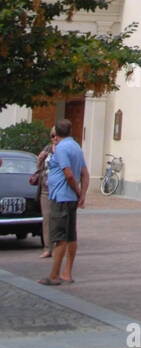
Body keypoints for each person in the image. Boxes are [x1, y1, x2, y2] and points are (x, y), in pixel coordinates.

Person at [39, 118, 88, 286]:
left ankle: (54, 275)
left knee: (59, 237)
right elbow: (85, 173)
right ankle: (67, 273)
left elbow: (68, 174)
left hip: (61, 197)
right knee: (71, 235)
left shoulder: (61, 148)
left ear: (56, 133)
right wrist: (82, 194)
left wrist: (78, 192)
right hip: (70, 198)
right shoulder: (76, 146)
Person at [35, 127, 58, 259]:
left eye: (56, 135)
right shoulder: (48, 148)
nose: (54, 138)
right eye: (52, 136)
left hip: (59, 187)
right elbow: (38, 167)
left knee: (59, 218)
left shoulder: (64, 149)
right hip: (45, 187)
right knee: (47, 218)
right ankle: (48, 248)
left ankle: (60, 246)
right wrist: (40, 159)